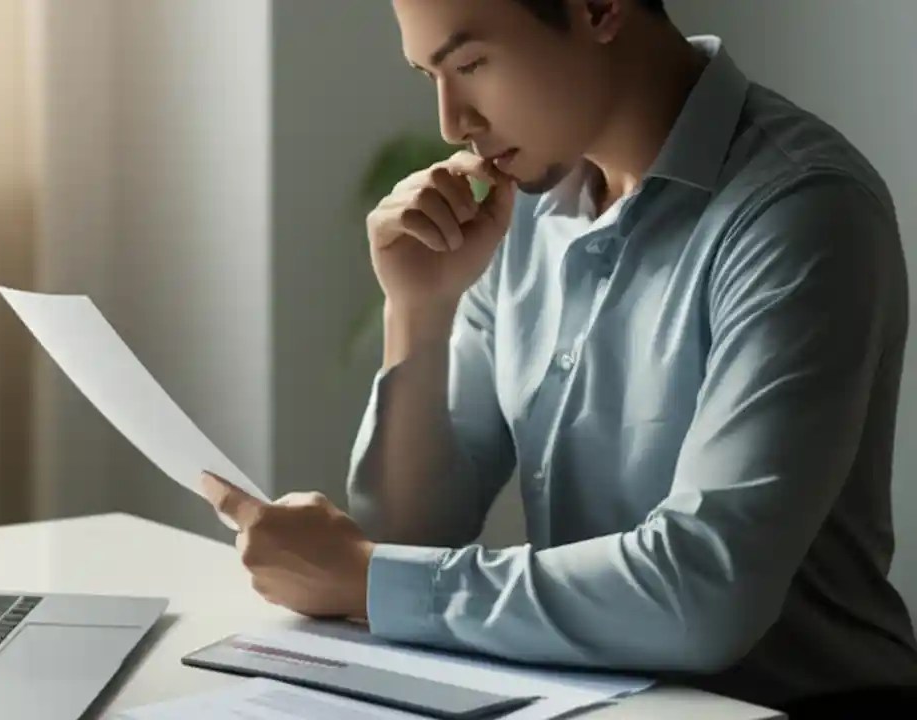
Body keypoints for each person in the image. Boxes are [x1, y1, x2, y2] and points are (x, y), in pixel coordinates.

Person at [201, 0, 917, 713]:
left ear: (600, 9)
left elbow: (703, 595)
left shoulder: (800, 212)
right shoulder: (519, 209)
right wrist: (418, 311)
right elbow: (411, 536)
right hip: (591, 699)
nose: (453, 123)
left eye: (471, 64)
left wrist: (365, 580)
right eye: (431, 76)